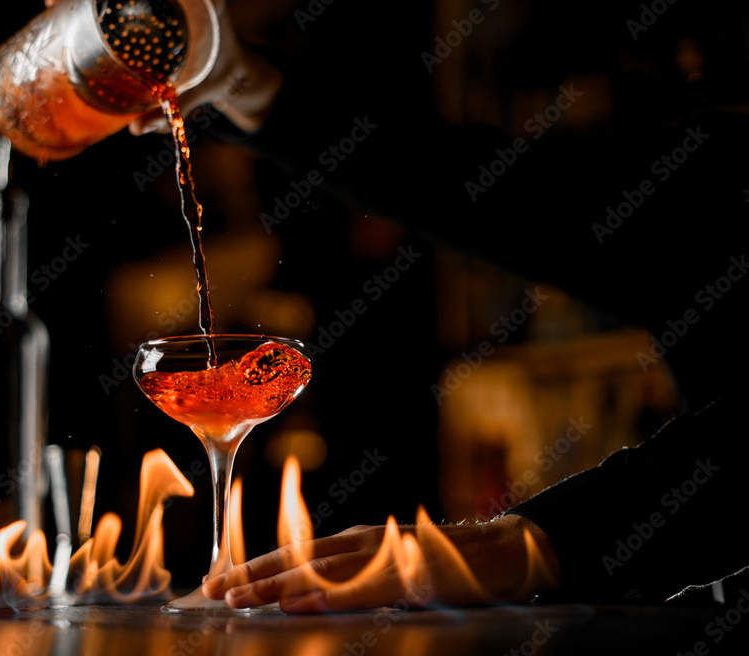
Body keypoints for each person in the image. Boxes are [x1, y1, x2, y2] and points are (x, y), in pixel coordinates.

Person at [129, 0, 749, 612]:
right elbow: (508, 198)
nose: (686, 60)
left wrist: (538, 541)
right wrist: (235, 79)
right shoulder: (713, 168)